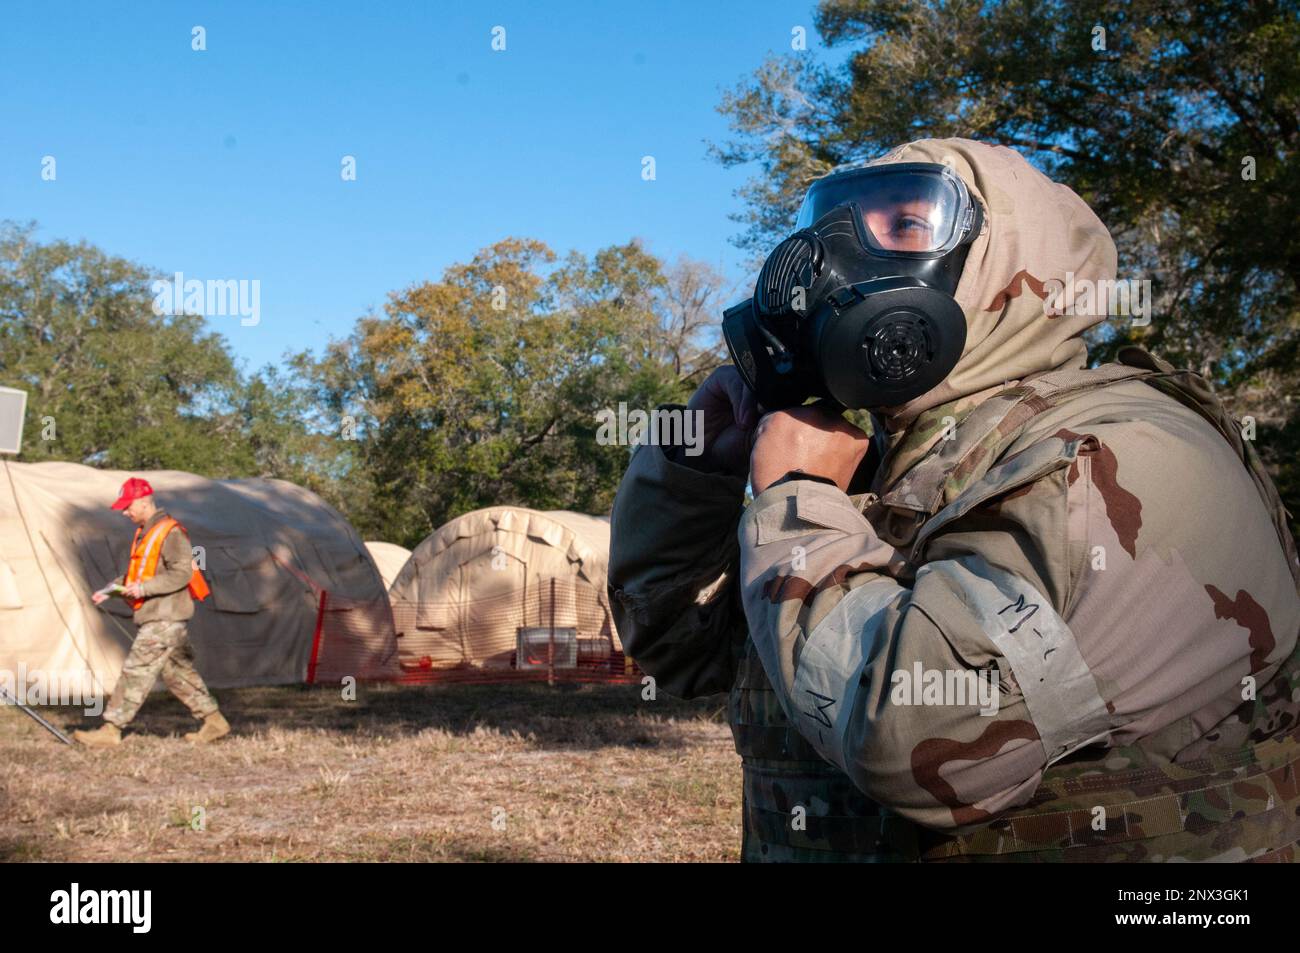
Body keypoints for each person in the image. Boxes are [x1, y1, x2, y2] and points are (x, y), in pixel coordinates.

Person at [608, 138, 1300, 862]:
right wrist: (690, 471)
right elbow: (677, 650)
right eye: (826, 230)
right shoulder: (872, 468)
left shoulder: (1118, 458)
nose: (829, 262)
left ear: (1010, 269)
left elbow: (910, 739)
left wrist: (796, 498)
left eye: (905, 226)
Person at [73, 477, 229, 748]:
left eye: (127, 507)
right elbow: (136, 575)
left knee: (137, 669)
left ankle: (111, 729)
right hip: (162, 616)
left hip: (165, 617)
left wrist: (144, 589)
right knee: (176, 672)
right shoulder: (146, 533)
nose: (124, 512)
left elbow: (182, 573)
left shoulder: (171, 532)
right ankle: (215, 722)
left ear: (144, 502)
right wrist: (109, 590)